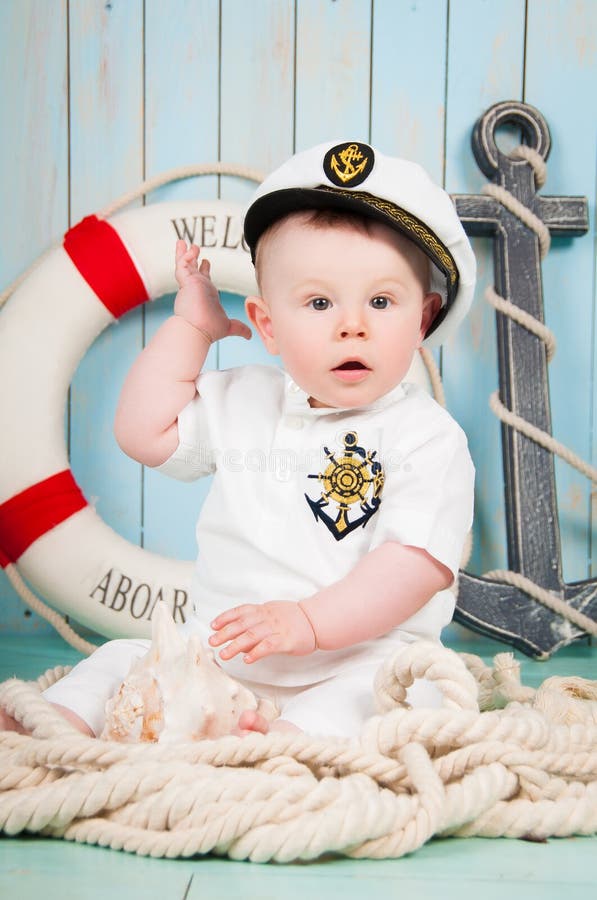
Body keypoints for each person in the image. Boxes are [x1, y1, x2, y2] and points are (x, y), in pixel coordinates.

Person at [1, 140, 476, 739]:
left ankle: (286, 745)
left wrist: (309, 622)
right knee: (121, 659)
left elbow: (413, 567)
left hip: (359, 657)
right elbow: (143, 433)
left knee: (391, 698)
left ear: (423, 319)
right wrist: (190, 331)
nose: (351, 323)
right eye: (319, 301)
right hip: (227, 656)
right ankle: (50, 728)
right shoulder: (243, 399)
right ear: (268, 325)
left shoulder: (427, 438)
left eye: (381, 301)